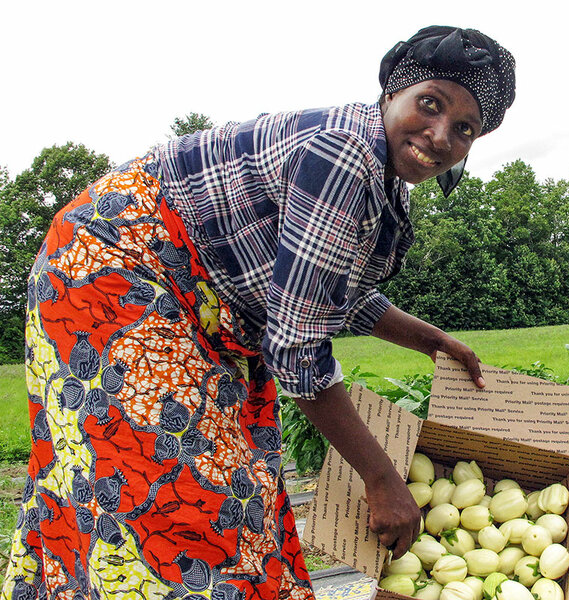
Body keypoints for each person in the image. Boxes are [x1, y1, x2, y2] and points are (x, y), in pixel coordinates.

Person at [2, 25, 515, 600]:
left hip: (193, 300)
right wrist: (381, 478)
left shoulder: (384, 176)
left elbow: (325, 285)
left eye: (465, 129)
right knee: (186, 491)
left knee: (241, 481)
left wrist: (429, 340)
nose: (440, 135)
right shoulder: (345, 155)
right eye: (430, 104)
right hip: (113, 270)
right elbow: (296, 346)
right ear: (393, 91)